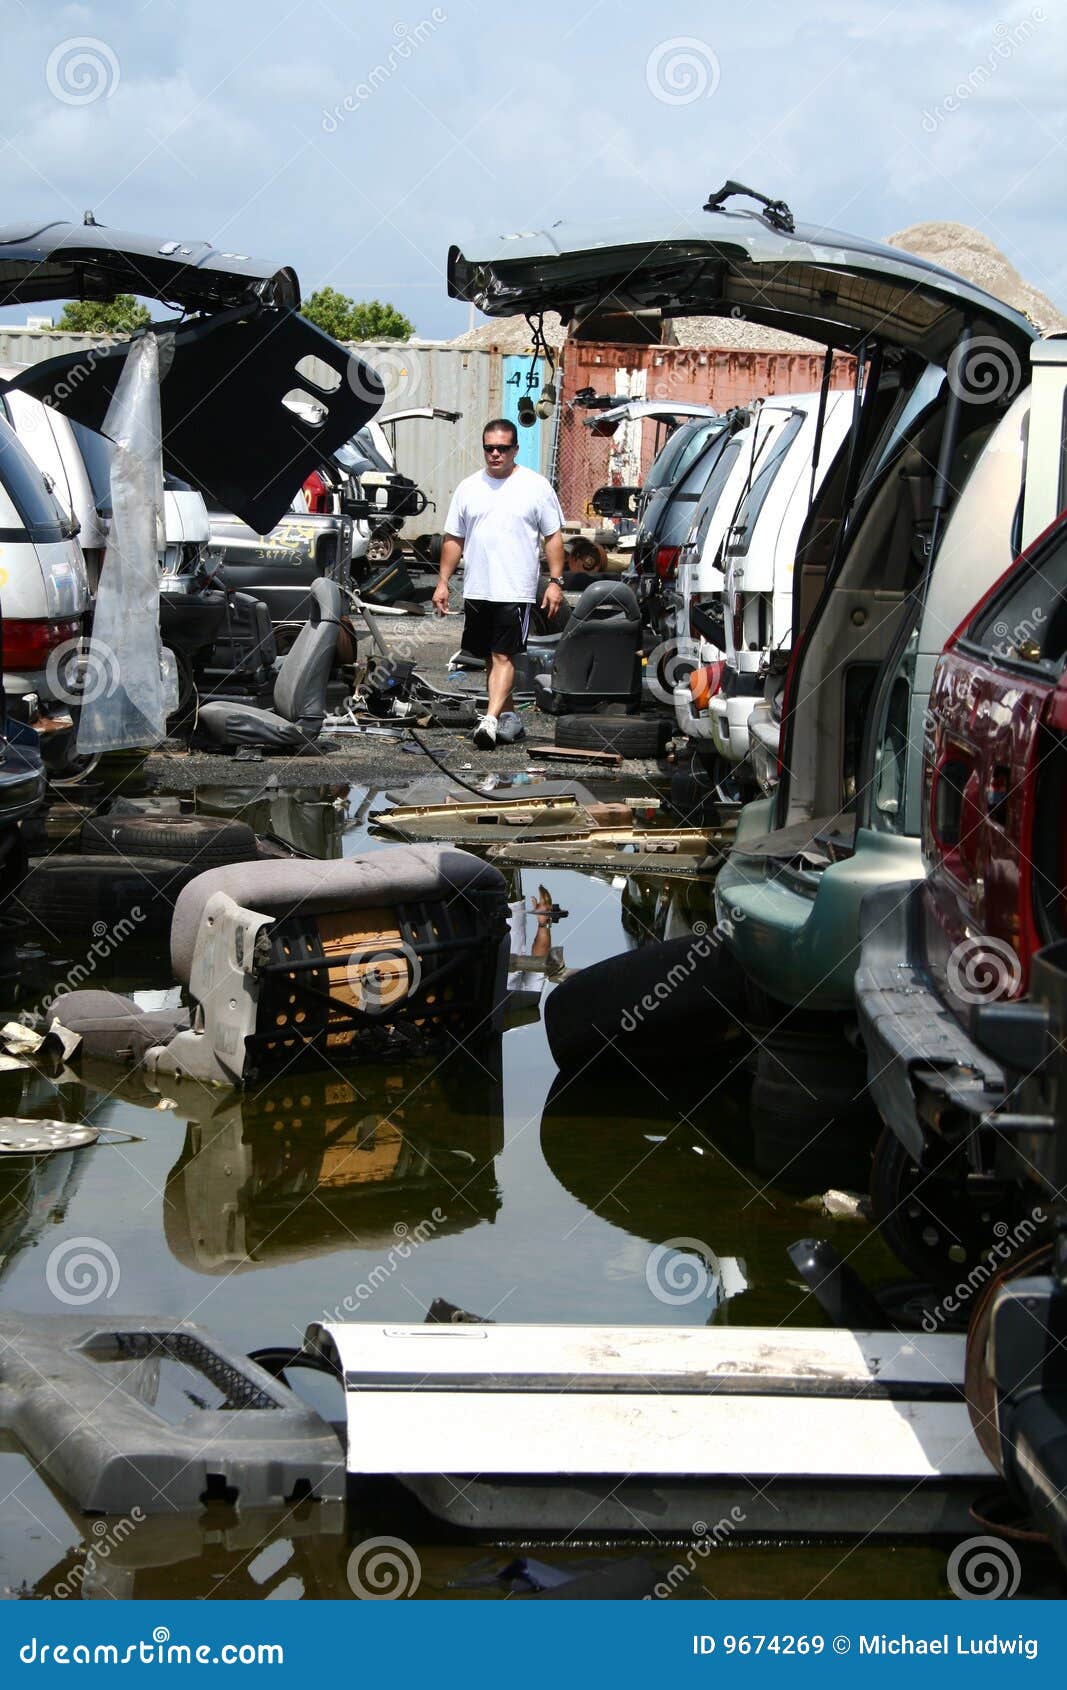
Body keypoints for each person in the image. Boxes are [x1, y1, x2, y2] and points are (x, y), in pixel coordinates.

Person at [433, 419, 565, 748]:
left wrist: (555, 581)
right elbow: (453, 539)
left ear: (515, 450)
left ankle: (490, 720)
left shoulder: (535, 487)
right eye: (489, 448)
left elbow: (553, 537)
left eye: (502, 448)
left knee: (504, 657)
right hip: (479, 587)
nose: (495, 454)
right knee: (491, 657)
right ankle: (509, 719)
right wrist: (443, 582)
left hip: (515, 589)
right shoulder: (468, 487)